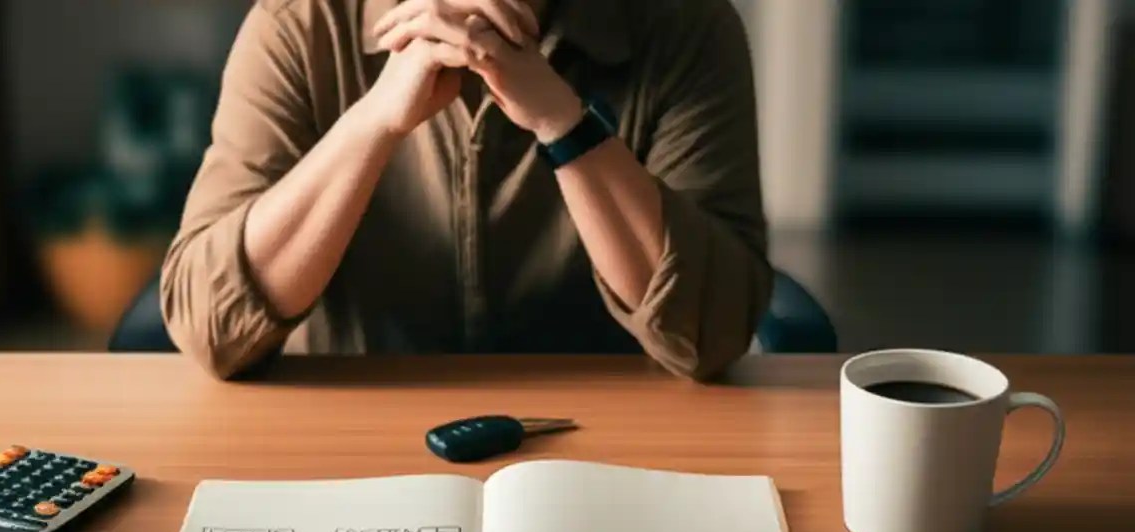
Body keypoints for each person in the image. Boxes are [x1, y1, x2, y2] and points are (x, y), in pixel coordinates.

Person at [161, 0, 772, 380]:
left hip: (604, 455)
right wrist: (375, 121)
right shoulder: (297, 27)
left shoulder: (688, 27)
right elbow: (213, 329)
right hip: (344, 448)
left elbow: (712, 332)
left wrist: (563, 122)